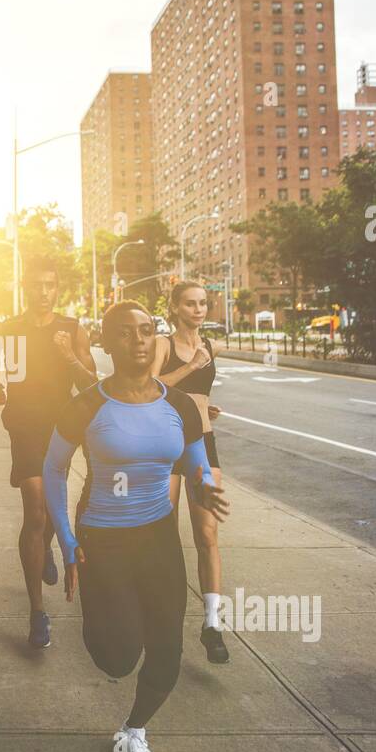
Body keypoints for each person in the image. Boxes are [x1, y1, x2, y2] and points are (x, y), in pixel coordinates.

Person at [44, 301, 229, 752]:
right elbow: (54, 468)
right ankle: (105, 624)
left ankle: (135, 730)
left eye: (147, 331)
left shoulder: (180, 405)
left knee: (168, 647)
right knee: (117, 657)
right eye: (126, 333)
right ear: (107, 343)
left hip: (157, 537)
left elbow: (194, 460)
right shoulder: (87, 404)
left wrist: (206, 483)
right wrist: (66, 540)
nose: (140, 341)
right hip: (102, 539)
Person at [0, 258, 97, 649]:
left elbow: (90, 379)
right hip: (25, 426)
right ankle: (37, 612)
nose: (43, 291)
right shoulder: (9, 329)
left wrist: (68, 354)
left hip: (61, 427)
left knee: (49, 510)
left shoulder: (71, 328)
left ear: (57, 288)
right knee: (35, 508)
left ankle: (47, 544)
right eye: (37, 284)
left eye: (50, 284)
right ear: (25, 286)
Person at [152, 280, 229, 663]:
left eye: (203, 303)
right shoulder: (164, 345)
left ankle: (212, 624)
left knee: (207, 531)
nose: (199, 310)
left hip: (202, 442)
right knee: (162, 531)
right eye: (190, 304)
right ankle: (160, 616)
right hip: (166, 443)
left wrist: (203, 407)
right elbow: (148, 388)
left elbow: (199, 394)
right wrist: (191, 369)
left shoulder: (210, 347)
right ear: (176, 308)